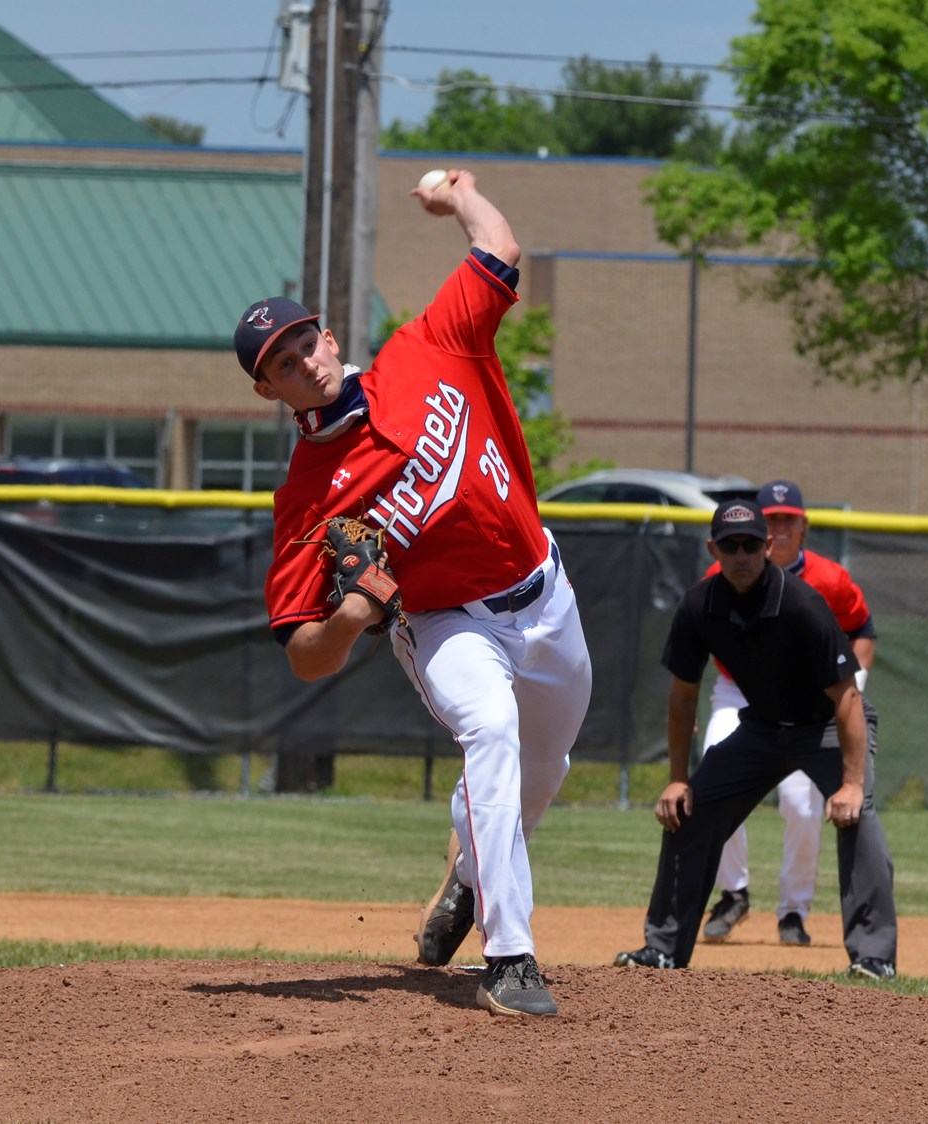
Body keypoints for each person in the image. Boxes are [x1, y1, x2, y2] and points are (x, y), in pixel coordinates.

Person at [233, 169, 592, 1018]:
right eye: (279, 364)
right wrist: (354, 613)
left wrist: (459, 196)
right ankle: (510, 959)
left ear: (328, 336)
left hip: (544, 589)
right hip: (444, 622)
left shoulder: (427, 347)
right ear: (268, 389)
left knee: (548, 765)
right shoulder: (308, 498)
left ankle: (470, 877)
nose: (301, 363)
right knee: (493, 733)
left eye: (303, 343)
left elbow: (500, 249)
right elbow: (304, 658)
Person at [614, 498, 897, 978]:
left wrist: (850, 784)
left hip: (827, 724)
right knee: (690, 809)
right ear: (714, 549)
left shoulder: (802, 604)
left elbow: (848, 698)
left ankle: (873, 956)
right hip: (763, 727)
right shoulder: (700, 605)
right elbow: (683, 698)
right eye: (730, 546)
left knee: (857, 815)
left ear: (768, 546)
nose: (741, 555)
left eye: (750, 545)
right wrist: (678, 779)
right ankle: (664, 949)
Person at [698, 479, 878, 950]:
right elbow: (694, 644)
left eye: (787, 520)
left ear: (804, 527)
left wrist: (851, 688)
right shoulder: (717, 580)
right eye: (770, 519)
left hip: (809, 702)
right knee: (711, 769)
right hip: (737, 694)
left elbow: (862, 628)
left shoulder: (831, 578)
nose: (778, 528)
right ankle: (733, 892)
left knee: (802, 805)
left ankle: (793, 912)